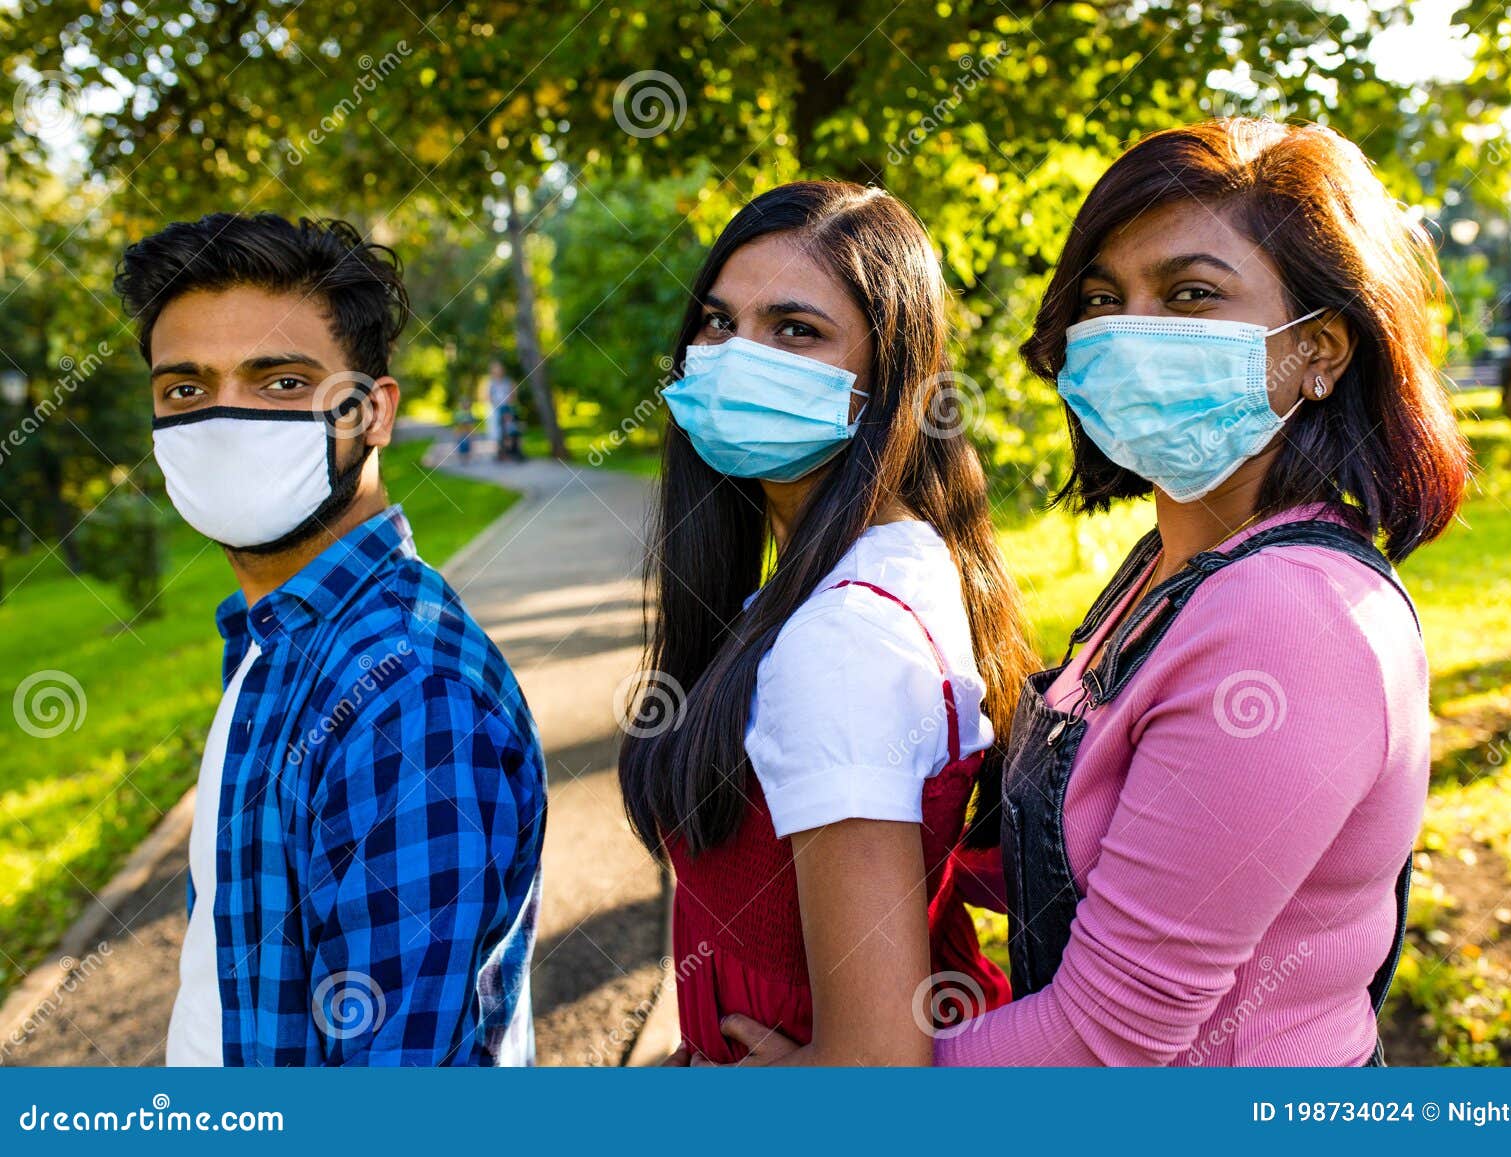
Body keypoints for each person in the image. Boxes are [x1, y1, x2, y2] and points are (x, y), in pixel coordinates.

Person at [719, 120, 1472, 1067]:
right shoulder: (1165, 573)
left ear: (1320, 350)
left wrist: (838, 1085)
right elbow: (1090, 854)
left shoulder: (1286, 619)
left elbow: (1104, 1038)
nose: (1130, 329)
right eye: (1104, 298)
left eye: (1190, 294)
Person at [618, 181, 1036, 1065]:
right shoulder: (881, 563)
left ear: (887, 381)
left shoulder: (841, 642)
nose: (737, 355)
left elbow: (874, 1063)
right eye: (718, 323)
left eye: (794, 329)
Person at [116, 213, 547, 1066]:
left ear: (373, 412)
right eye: (186, 390)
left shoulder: (407, 697)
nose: (226, 419)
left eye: (281, 382)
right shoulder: (277, 640)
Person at [485, 359, 518, 460]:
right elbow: (488, 396)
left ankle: (509, 452)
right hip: (495, 409)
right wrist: (496, 404)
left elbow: (513, 395)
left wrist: (508, 404)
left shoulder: (507, 382)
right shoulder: (490, 383)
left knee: (509, 430)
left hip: (507, 409)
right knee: (497, 432)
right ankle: (499, 453)